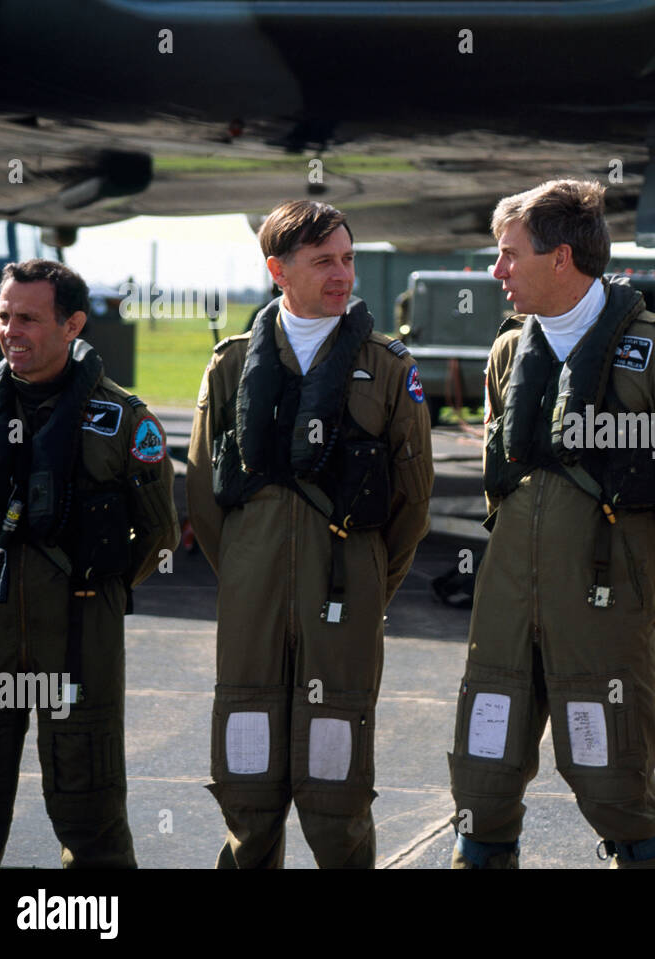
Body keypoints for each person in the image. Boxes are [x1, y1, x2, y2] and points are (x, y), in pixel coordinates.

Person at [448, 179, 655, 868]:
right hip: (506, 610)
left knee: (617, 792)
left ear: (561, 257)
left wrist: (645, 588)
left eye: (509, 254)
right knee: (480, 790)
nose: (497, 271)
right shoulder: (509, 352)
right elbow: (497, 480)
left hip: (606, 609)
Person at [187, 200, 433, 868]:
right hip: (251, 605)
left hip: (345, 600)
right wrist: (248, 570)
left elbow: (412, 504)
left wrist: (364, 581)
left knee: (337, 791)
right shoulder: (231, 365)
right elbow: (205, 500)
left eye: (348, 258)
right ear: (278, 269)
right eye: (324, 260)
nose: (342, 274)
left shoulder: (386, 366)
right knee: (247, 783)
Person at [0, 259, 179, 867]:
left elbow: (159, 537)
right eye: (4, 316)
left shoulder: (124, 421)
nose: (10, 331)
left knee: (90, 813)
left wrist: (89, 586)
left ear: (73, 325)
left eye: (28, 319)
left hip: (80, 641)